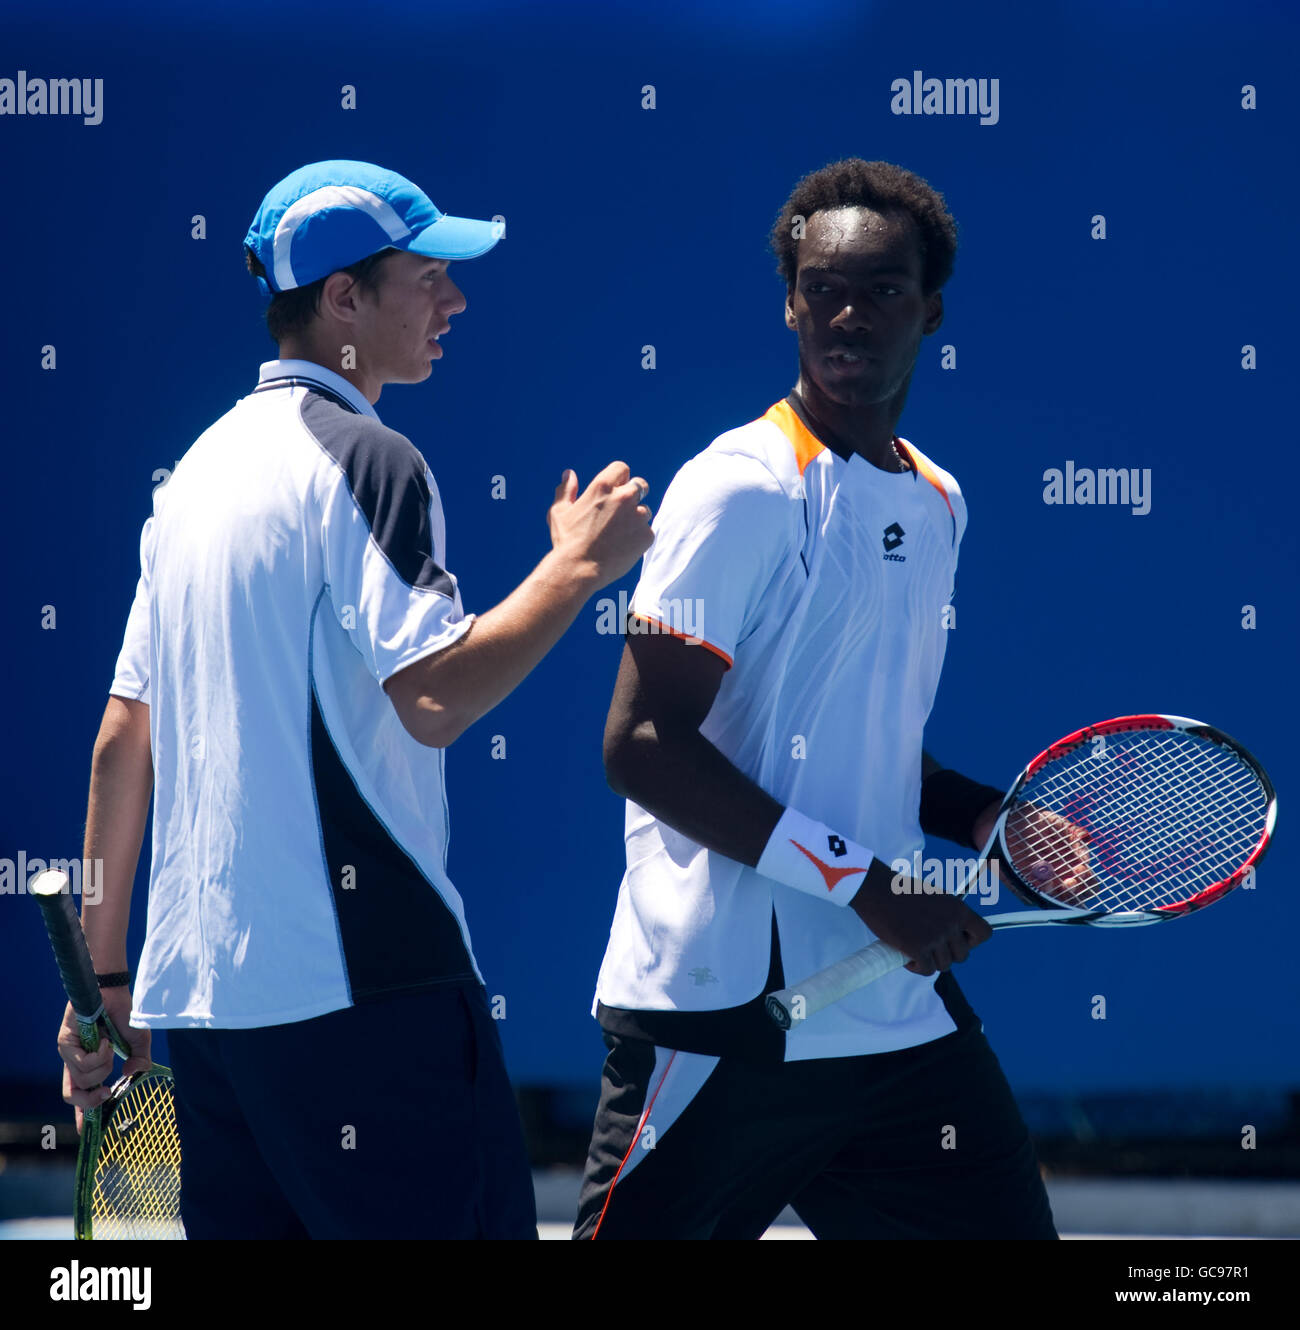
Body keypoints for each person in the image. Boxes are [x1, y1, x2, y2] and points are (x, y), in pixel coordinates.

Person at [56, 159, 653, 1239]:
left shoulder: (188, 480)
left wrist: (104, 976)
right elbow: (432, 698)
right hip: (368, 1003)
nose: (453, 301)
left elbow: (118, 741)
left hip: (211, 1024)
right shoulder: (371, 458)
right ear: (343, 300)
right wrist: (576, 569)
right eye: (426, 276)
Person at [574, 158, 1060, 1240]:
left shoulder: (939, 501)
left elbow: (868, 739)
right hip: (725, 1018)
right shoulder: (738, 487)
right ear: (790, 301)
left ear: (928, 309)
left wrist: (985, 815)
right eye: (822, 288)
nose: (848, 314)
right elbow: (643, 746)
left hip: (890, 1022)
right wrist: (868, 883)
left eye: (882, 288)